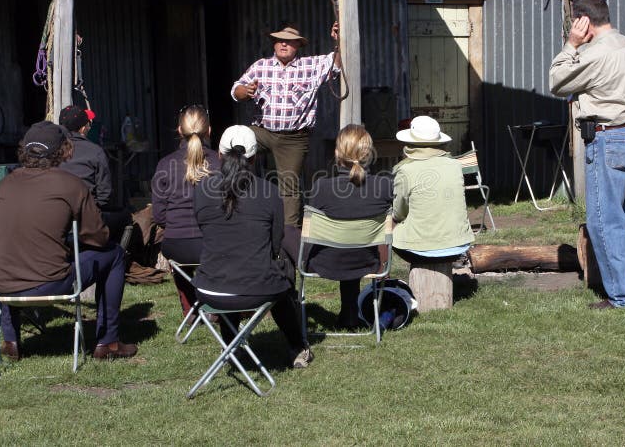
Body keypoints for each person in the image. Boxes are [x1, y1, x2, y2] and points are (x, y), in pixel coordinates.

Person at [0, 121, 137, 361]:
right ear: (64, 150)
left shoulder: (6, 183)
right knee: (115, 254)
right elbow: (99, 237)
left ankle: (10, 339)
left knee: (9, 261)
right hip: (49, 282)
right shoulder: (71, 185)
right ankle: (108, 342)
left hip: (2, 284)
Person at [550, 0, 625, 310]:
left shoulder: (594, 54)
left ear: (582, 21)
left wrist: (571, 44)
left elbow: (557, 81)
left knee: (602, 220)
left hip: (609, 138)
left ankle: (622, 298)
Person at [192, 125, 313, 368]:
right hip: (257, 287)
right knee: (277, 279)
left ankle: (231, 346)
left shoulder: (202, 190)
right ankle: (298, 347)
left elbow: (204, 230)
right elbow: (275, 242)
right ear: (255, 157)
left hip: (210, 288)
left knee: (234, 273)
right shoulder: (269, 191)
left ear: (219, 154)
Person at [282, 124, 393, 329]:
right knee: (350, 242)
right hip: (367, 261)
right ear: (368, 153)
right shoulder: (384, 185)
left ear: (336, 153)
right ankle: (349, 314)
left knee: (285, 232)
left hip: (324, 262)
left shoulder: (321, 187)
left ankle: (288, 306)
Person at [230, 22, 341, 227]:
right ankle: (235, 212)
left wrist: (339, 40)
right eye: (280, 40)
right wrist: (244, 92)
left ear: (297, 46)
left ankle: (289, 235)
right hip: (262, 131)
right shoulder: (260, 66)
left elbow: (336, 64)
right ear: (273, 44)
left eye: (289, 41)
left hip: (294, 137)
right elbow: (236, 89)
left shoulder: (310, 66)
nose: (284, 44)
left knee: (289, 186)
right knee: (234, 144)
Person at [151, 105, 220, 316]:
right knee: (219, 251)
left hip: (176, 244)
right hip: (212, 244)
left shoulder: (164, 164)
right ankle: (216, 305)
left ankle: (190, 308)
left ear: (179, 131)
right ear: (209, 131)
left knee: (181, 261)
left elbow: (159, 215)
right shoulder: (220, 163)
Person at [392, 116, 474, 265]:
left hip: (420, 249)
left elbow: (399, 213)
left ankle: (383, 276)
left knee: (387, 229)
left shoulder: (405, 171)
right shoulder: (455, 165)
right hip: (459, 244)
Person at [58, 105, 131, 242]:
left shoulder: (53, 151)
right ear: (83, 128)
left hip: (57, 219)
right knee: (126, 217)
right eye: (88, 124)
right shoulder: (95, 151)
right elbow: (105, 195)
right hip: (86, 220)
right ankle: (117, 254)